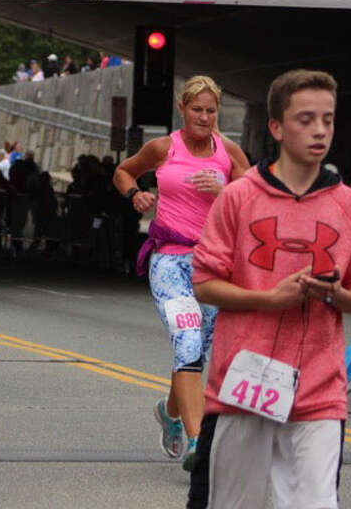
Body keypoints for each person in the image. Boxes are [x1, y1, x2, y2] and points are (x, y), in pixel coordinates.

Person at [186, 70, 351, 509]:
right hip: (243, 383)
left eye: (327, 119)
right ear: (276, 126)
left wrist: (333, 294)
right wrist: (269, 299)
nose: (319, 130)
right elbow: (204, 283)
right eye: (306, 119)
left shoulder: (350, 206)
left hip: (319, 387)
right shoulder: (238, 197)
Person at [113, 76, 250, 469]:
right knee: (188, 341)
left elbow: (256, 196)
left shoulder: (228, 152)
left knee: (195, 352)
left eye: (210, 110)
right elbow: (124, 171)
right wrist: (135, 194)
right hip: (170, 260)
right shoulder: (163, 147)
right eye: (197, 109)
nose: (204, 117)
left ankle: (170, 412)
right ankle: (197, 442)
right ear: (183, 109)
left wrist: (225, 191)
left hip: (213, 265)